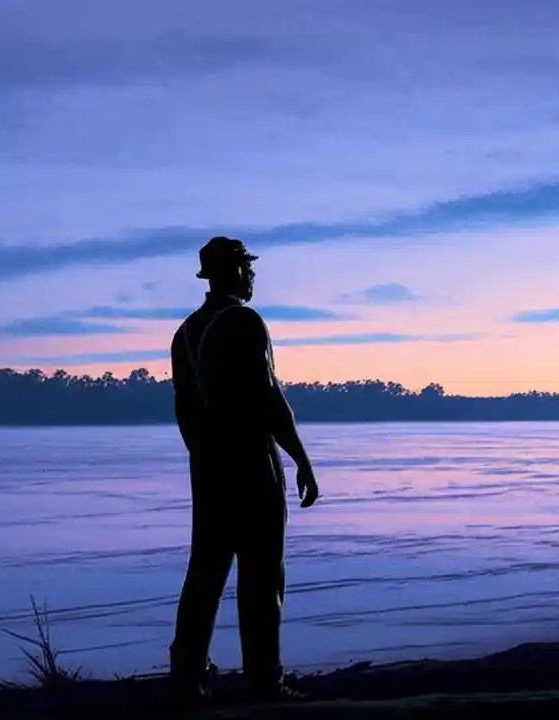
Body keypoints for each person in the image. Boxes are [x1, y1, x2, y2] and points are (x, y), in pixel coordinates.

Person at [167, 236, 320, 704]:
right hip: (253, 463)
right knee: (262, 574)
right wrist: (301, 459)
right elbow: (269, 395)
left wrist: (203, 456)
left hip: (209, 468)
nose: (252, 276)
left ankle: (188, 679)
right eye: (248, 268)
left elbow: (184, 409)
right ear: (232, 271)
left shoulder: (185, 331)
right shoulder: (246, 321)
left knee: (205, 575)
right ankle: (263, 680)